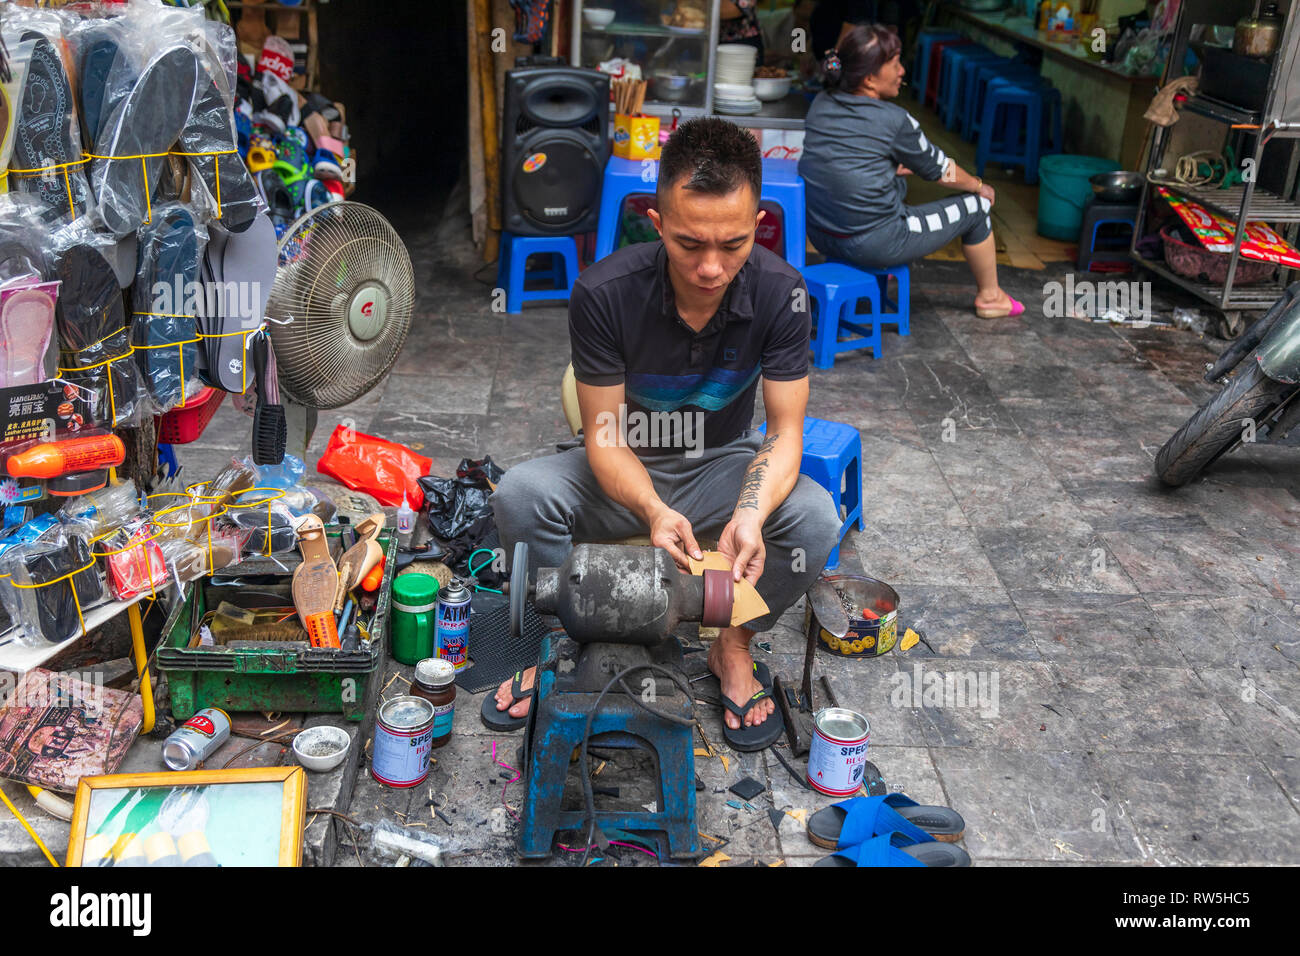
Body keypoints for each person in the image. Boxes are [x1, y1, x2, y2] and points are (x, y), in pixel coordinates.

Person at [489, 118, 841, 750]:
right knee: (519, 494)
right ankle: (553, 646)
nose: (710, 267)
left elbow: (786, 433)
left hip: (718, 467)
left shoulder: (782, 293)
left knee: (815, 519)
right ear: (657, 221)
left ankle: (731, 647)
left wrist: (753, 515)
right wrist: (652, 508)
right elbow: (603, 437)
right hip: (622, 468)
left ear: (758, 220)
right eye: (688, 243)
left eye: (732, 244)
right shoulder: (603, 292)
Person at [798, 24, 1023, 318]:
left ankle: (877, 267)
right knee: (977, 208)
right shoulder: (895, 120)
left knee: (898, 182)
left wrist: (887, 166)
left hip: (822, 235)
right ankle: (991, 298)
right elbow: (942, 171)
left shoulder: (821, 102)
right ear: (868, 79)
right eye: (894, 64)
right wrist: (979, 185)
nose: (902, 71)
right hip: (875, 243)